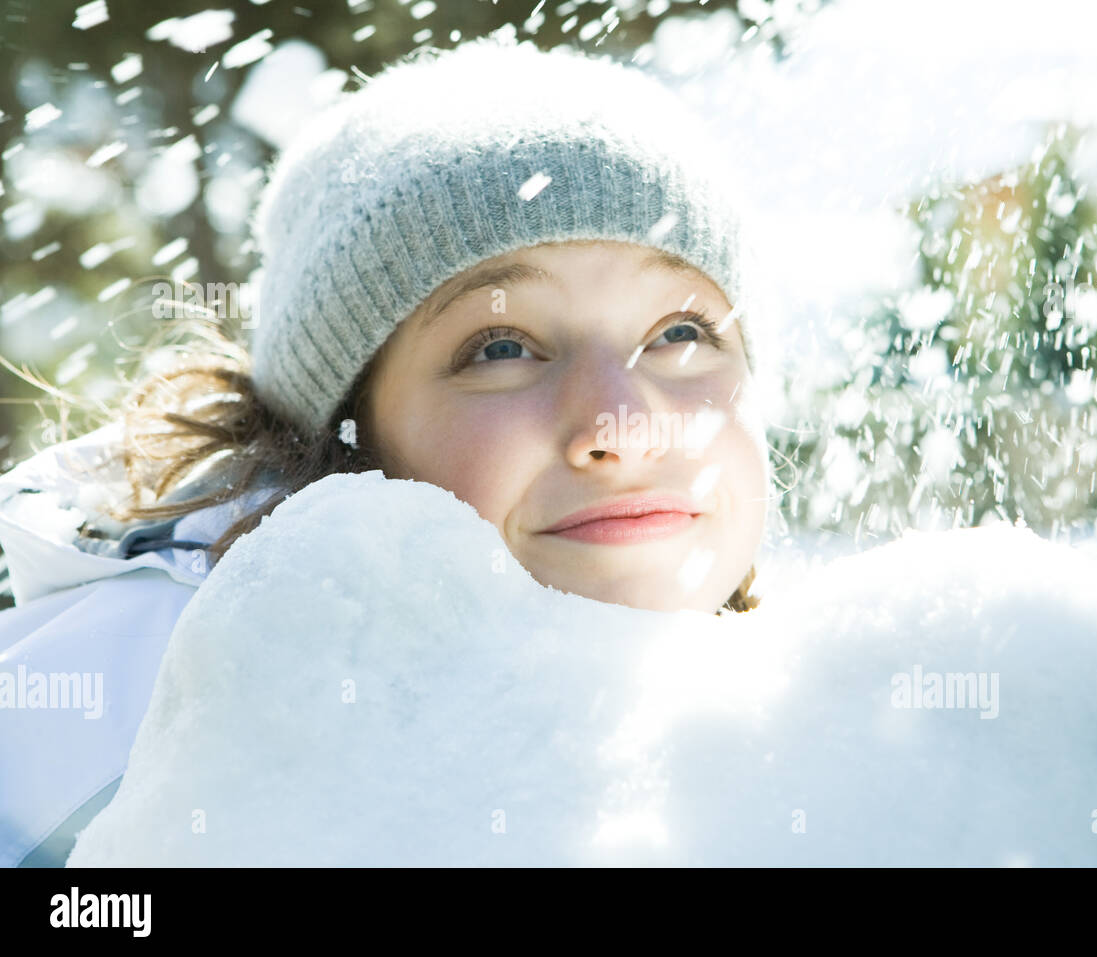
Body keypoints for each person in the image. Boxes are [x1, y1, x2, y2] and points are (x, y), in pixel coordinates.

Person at [0, 36, 780, 865]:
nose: (622, 426)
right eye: (501, 347)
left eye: (681, 332)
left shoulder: (814, 721)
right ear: (343, 442)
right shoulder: (125, 721)